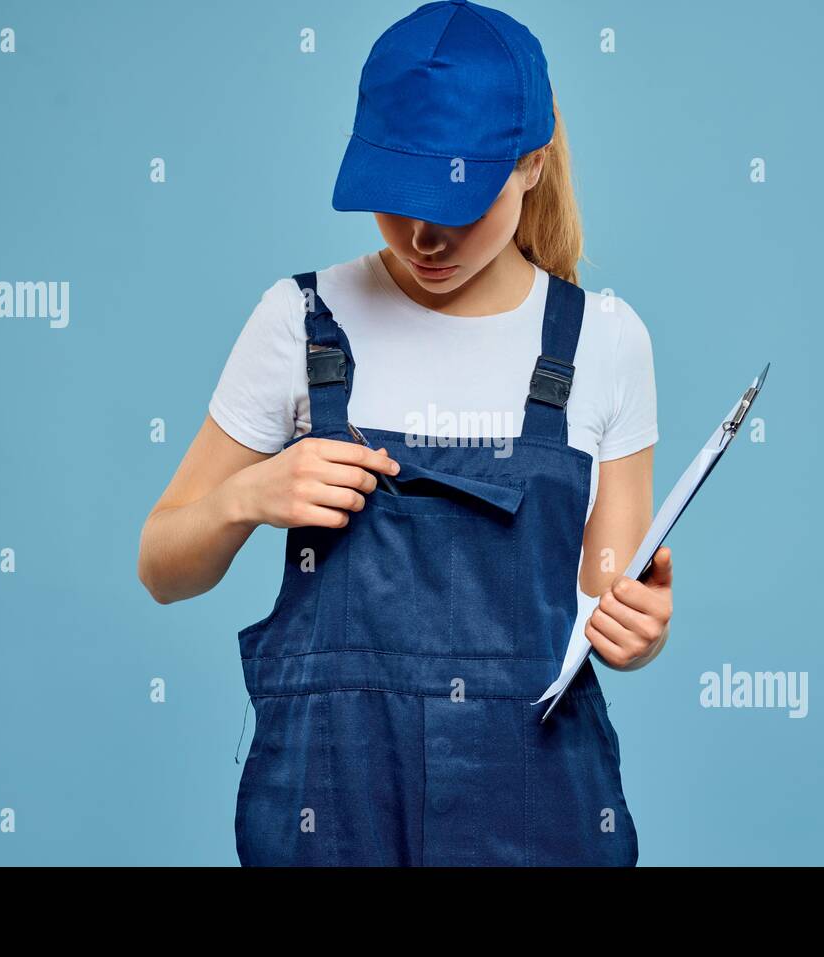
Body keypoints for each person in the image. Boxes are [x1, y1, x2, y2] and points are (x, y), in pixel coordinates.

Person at [137, 0, 672, 866]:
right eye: (399, 198)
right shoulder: (297, 322)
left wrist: (641, 627)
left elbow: (609, 610)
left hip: (538, 815)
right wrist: (249, 496)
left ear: (532, 164)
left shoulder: (606, 342)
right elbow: (162, 565)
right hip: (333, 809)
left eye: (457, 203)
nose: (425, 236)